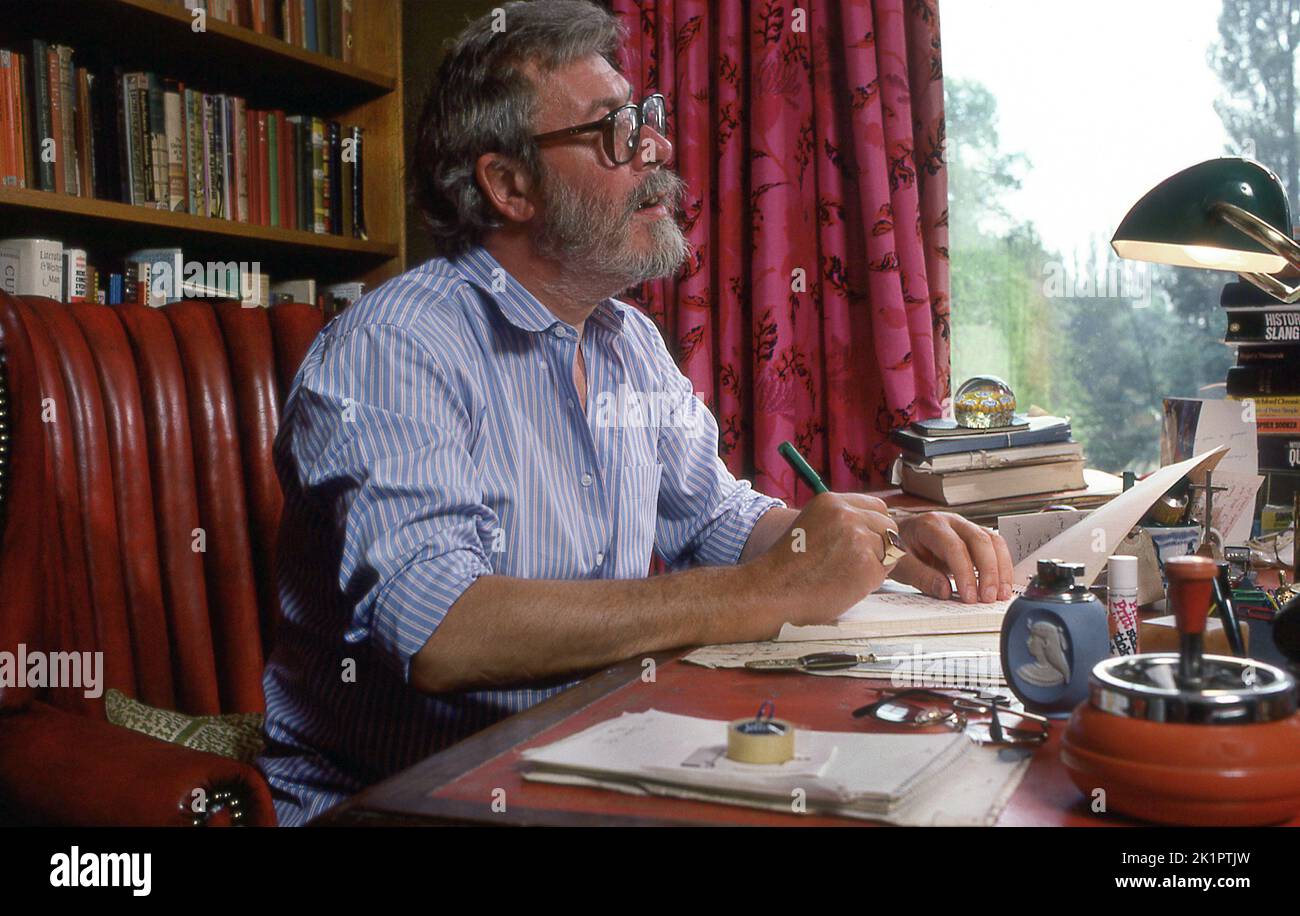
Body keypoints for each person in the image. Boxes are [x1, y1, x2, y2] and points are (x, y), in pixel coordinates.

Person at [258, 0, 1014, 826]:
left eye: (644, 117)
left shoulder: (627, 340)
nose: (655, 147)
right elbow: (441, 630)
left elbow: (719, 516)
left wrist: (879, 541)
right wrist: (766, 592)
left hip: (580, 765)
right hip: (408, 801)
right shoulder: (397, 347)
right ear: (508, 186)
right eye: (611, 130)